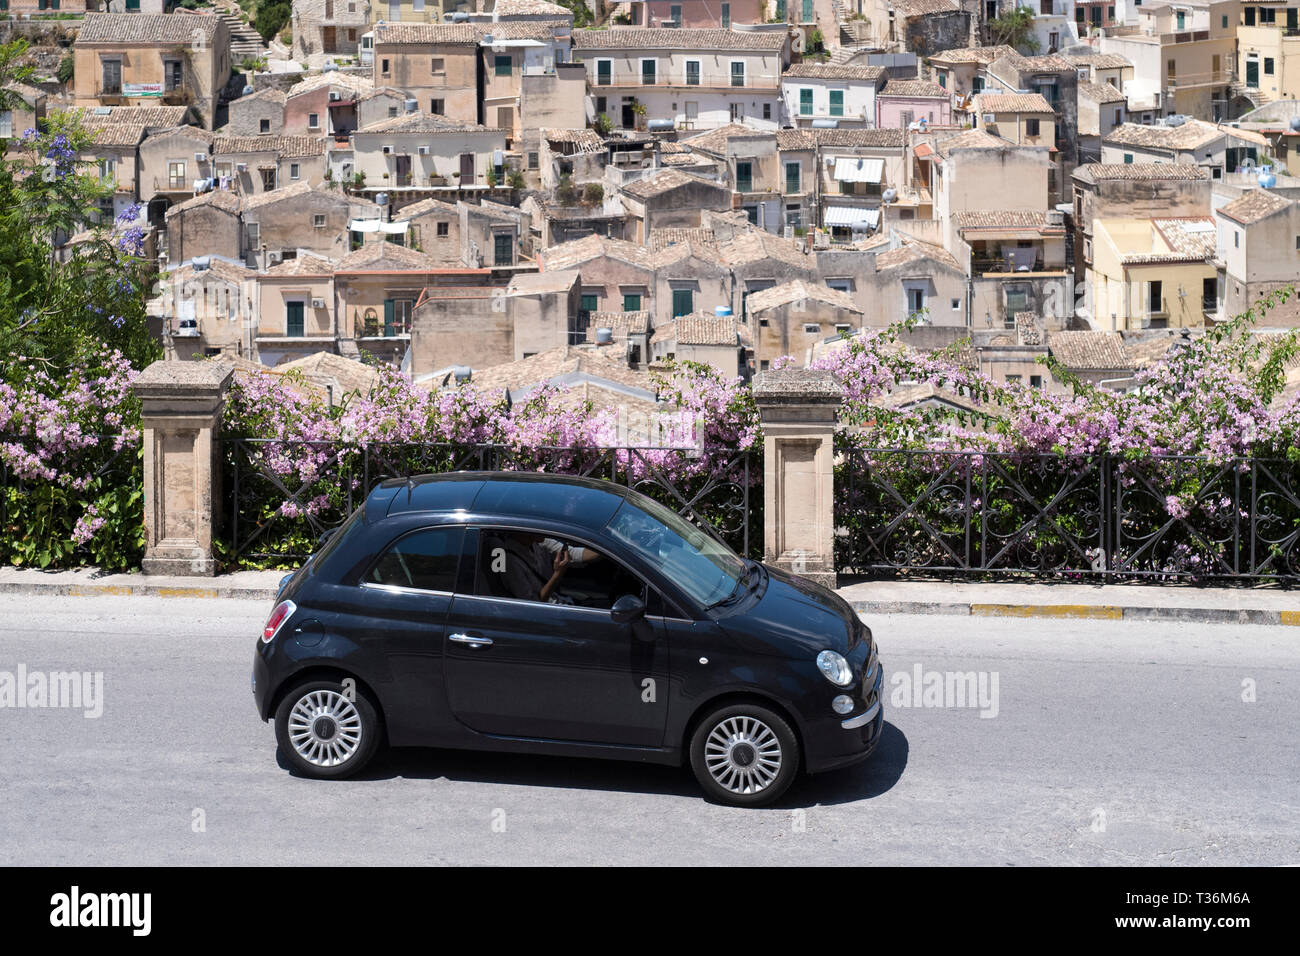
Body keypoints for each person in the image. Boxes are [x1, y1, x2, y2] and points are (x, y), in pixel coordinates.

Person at [496, 532, 599, 604]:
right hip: (549, 611)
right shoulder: (509, 561)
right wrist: (557, 575)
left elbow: (574, 554)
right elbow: (533, 605)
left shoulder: (539, 542)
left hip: (561, 599)